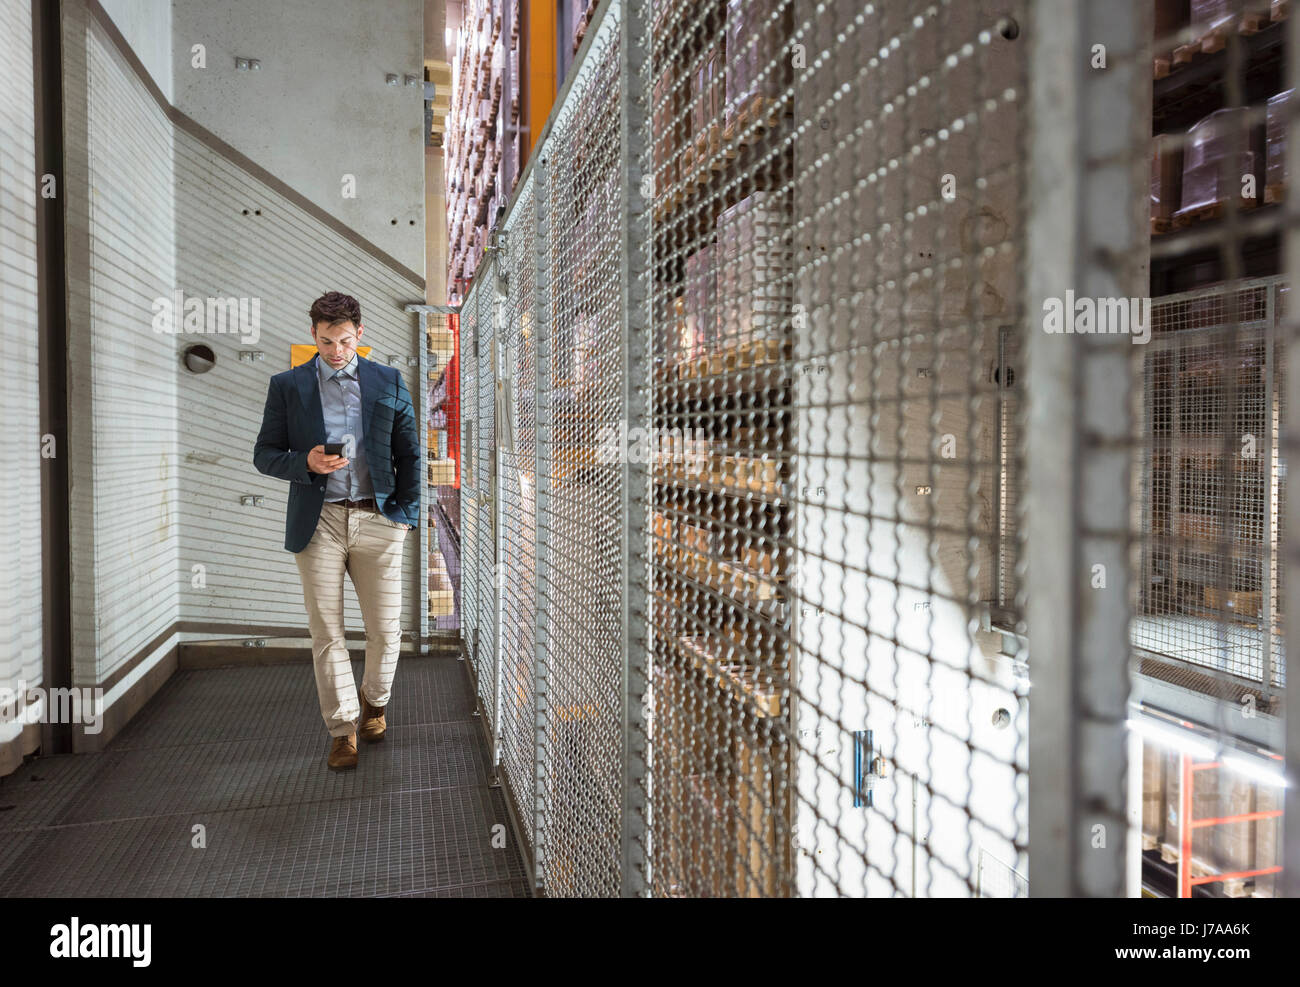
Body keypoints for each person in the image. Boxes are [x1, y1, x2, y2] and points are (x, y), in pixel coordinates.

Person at [253, 291, 420, 770]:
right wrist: (304, 462)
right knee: (327, 632)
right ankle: (343, 729)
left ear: (359, 333)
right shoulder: (287, 385)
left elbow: (409, 452)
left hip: (379, 519)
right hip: (319, 521)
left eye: (345, 340)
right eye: (326, 341)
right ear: (313, 334)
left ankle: (375, 703)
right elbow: (264, 454)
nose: (336, 351)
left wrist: (404, 516)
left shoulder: (388, 380)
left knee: (385, 630)